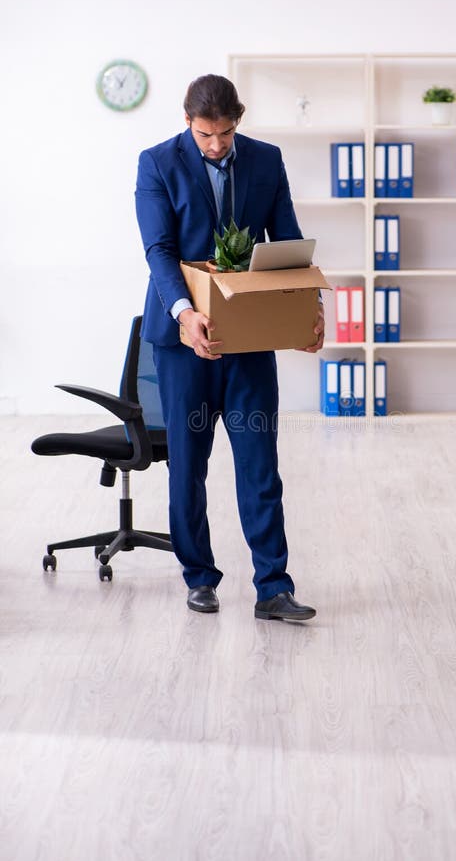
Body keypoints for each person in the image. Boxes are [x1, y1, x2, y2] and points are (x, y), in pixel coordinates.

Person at [135, 74, 323, 621]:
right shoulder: (157, 163)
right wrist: (184, 312)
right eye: (205, 134)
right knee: (187, 465)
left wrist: (308, 309)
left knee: (260, 464)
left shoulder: (265, 160)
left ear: (237, 121)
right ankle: (199, 578)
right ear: (187, 121)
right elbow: (159, 249)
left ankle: (273, 588)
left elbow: (287, 244)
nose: (216, 144)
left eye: (225, 133)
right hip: (183, 342)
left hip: (249, 336)